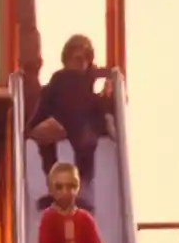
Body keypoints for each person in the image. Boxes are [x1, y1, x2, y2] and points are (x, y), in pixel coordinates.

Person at [27, 34, 115, 211]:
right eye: (77, 58)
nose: (81, 64)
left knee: (84, 137)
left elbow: (96, 106)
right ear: (67, 59)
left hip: (79, 126)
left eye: (85, 59)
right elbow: (46, 105)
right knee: (76, 136)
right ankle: (62, 185)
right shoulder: (61, 80)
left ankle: (75, 187)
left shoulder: (84, 85)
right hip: (67, 123)